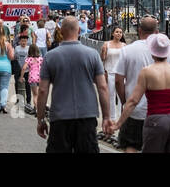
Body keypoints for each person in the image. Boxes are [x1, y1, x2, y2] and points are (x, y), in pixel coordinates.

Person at [35, 16, 114, 153]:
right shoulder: (92, 55)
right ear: (78, 30)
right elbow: (102, 87)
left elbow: (42, 90)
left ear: (61, 31)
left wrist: (41, 119)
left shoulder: (50, 57)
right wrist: (106, 116)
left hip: (60, 116)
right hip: (86, 115)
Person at [114, 34, 170, 153]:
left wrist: (118, 124)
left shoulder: (147, 72)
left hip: (156, 120)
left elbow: (133, 101)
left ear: (152, 53)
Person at [114, 15, 158, 152]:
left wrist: (124, 101)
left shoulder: (127, 50)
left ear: (139, 31)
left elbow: (118, 80)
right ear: (157, 32)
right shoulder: (165, 52)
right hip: (158, 109)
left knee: (130, 145)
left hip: (134, 110)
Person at [100, 26, 126, 119]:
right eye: (117, 32)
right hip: (109, 72)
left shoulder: (124, 45)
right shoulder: (106, 44)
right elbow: (102, 59)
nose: (119, 34)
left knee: (121, 96)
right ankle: (112, 117)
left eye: (120, 32)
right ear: (113, 34)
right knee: (110, 95)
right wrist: (103, 52)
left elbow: (125, 60)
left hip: (120, 73)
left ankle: (120, 116)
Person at [22, 43, 43, 112]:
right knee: (40, 95)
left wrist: (21, 76)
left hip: (32, 78)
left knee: (35, 95)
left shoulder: (29, 59)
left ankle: (36, 110)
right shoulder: (40, 59)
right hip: (40, 78)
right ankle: (40, 109)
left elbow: (24, 68)